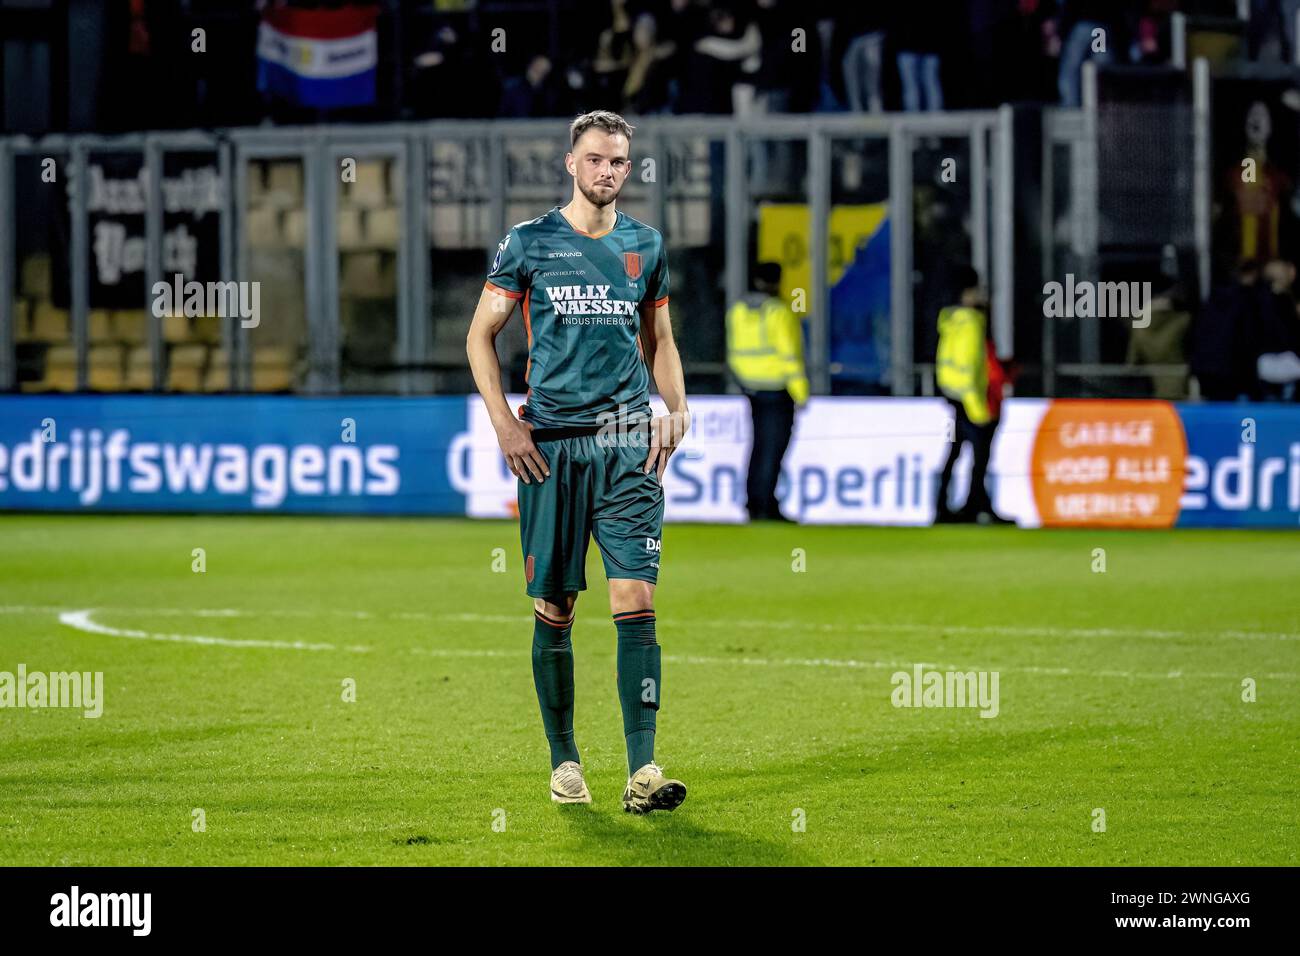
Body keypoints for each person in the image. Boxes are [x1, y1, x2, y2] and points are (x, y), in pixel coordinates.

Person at [466, 111, 690, 814]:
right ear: (571, 164)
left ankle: (643, 770)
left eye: (619, 162)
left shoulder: (644, 245)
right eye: (595, 160)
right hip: (553, 449)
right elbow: (480, 337)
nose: (607, 173)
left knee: (637, 598)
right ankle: (564, 760)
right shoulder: (529, 244)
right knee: (555, 607)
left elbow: (661, 339)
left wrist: (675, 408)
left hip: (628, 444)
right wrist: (505, 424)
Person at [726, 262, 809, 522]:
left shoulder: (738, 311)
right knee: (773, 447)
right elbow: (790, 355)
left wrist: (743, 380)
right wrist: (801, 392)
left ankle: (755, 502)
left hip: (750, 386)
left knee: (760, 445)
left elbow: (733, 350)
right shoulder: (778, 312)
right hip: (777, 388)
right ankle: (766, 505)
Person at [934, 267, 1012, 524]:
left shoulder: (951, 322)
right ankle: (975, 506)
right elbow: (970, 369)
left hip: (953, 398)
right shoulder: (970, 324)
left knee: (955, 452)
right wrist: (978, 408)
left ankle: (946, 506)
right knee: (979, 455)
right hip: (970, 401)